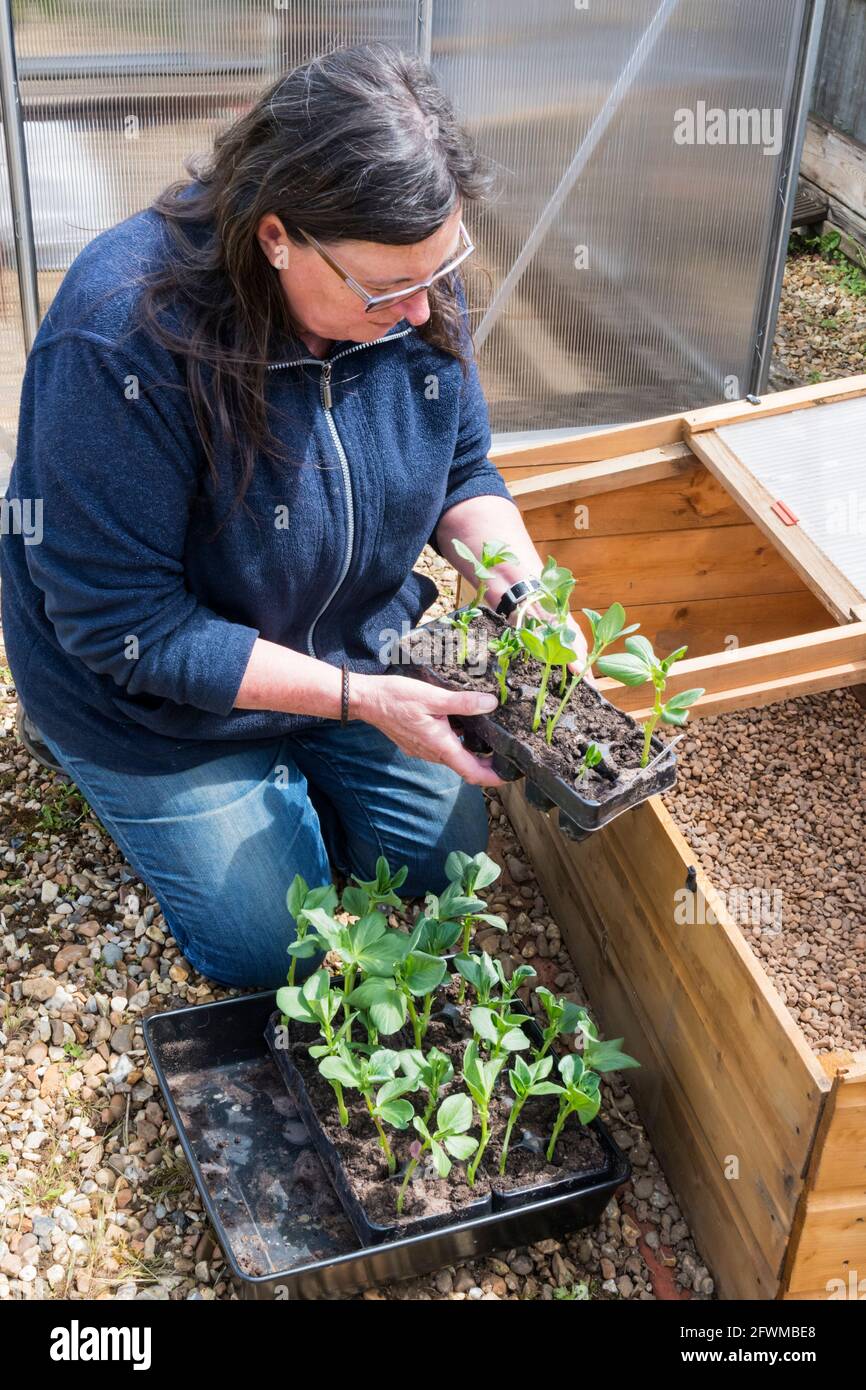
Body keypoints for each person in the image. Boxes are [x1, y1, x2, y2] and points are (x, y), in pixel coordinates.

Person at [0, 44, 585, 988]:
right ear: (277, 236)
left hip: (353, 641)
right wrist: (363, 701)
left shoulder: (409, 280)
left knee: (447, 867)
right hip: (157, 703)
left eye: (440, 272)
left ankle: (300, 759)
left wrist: (525, 591)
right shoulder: (120, 337)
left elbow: (463, 471)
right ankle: (91, 753)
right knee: (282, 947)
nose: (421, 308)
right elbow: (125, 626)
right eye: (387, 289)